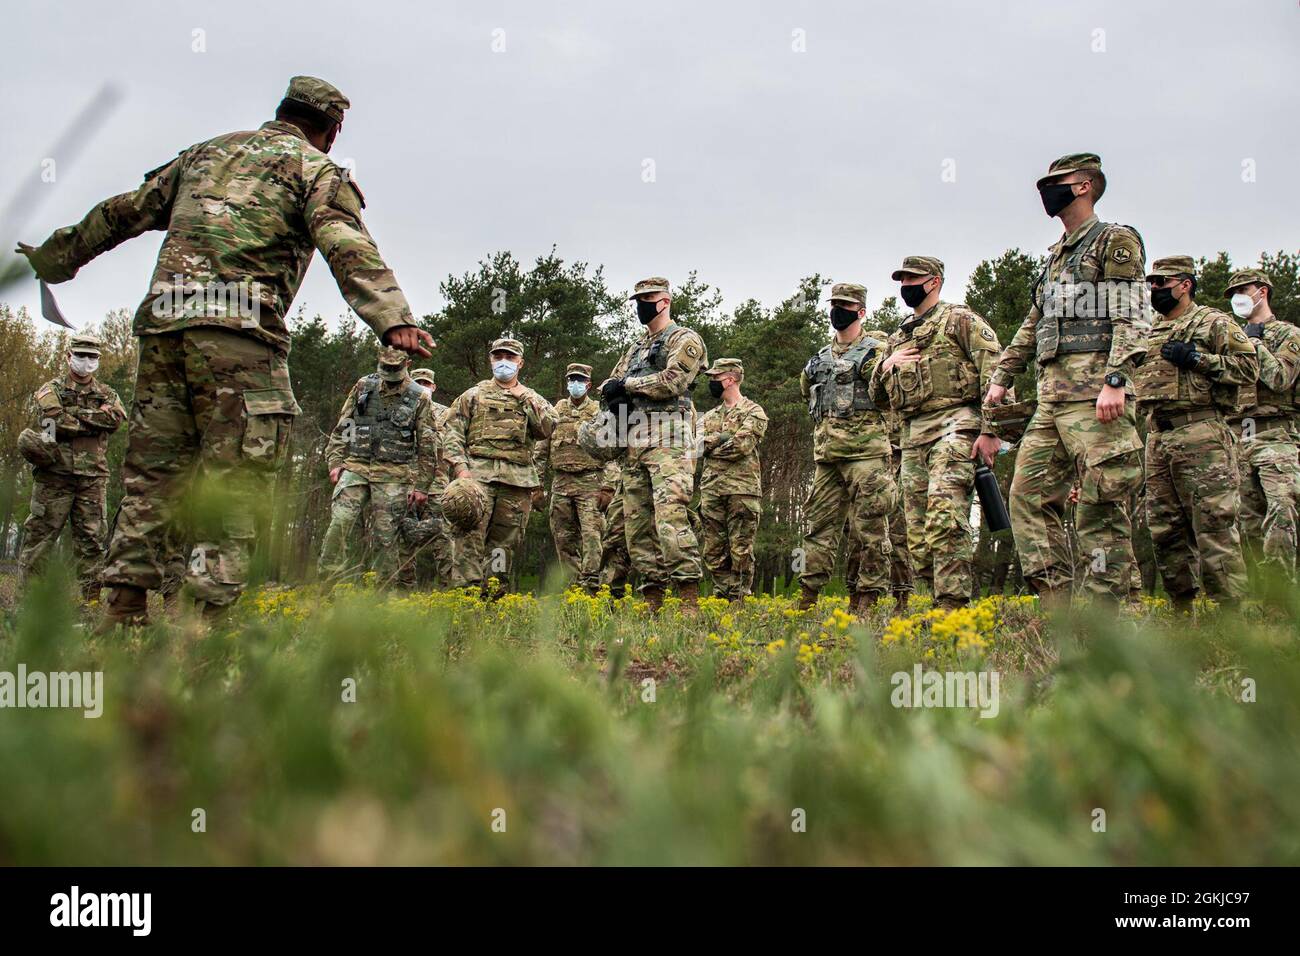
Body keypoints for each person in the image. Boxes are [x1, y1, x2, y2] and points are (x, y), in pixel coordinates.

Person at [16, 76, 431, 627]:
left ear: (282, 111)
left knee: (152, 474)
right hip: (239, 337)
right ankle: (203, 619)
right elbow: (344, 240)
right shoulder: (315, 170)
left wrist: (57, 257)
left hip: (165, 330)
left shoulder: (204, 154)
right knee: (236, 476)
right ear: (332, 130)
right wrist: (392, 319)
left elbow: (123, 211)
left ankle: (123, 606)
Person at [976, 152, 1147, 605]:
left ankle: (1110, 619)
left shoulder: (1114, 240)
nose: (1046, 191)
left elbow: (1131, 316)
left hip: (1095, 398)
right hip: (1051, 403)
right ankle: (1056, 606)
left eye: (1058, 182)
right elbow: (1033, 325)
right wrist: (1001, 376)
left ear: (1085, 185)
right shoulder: (1054, 259)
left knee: (1101, 507)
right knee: (1027, 497)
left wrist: (1116, 380)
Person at [871, 256, 1001, 609]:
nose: (906, 285)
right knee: (916, 531)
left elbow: (996, 373)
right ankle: (933, 601)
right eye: (901, 279)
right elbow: (877, 397)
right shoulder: (898, 337)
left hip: (956, 427)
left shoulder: (960, 319)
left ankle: (953, 607)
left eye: (913, 278)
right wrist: (886, 365)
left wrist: (992, 430)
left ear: (935, 282)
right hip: (912, 438)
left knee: (945, 518)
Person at [1136, 256, 1257, 609]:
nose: (1155, 290)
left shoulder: (1212, 322)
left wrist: (1198, 359)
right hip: (1157, 437)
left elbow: (1249, 368)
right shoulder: (1148, 329)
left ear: (1185, 284)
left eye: (1162, 283)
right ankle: (1181, 610)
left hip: (1201, 431)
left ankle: (1233, 616)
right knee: (1164, 529)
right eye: (1152, 284)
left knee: (1213, 526)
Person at [600, 277, 708, 612]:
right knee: (636, 527)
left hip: (668, 438)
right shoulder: (634, 348)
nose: (641, 305)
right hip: (634, 439)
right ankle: (653, 598)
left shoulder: (685, 339)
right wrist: (612, 393)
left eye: (648, 298)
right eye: (637, 299)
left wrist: (628, 386)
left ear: (665, 301)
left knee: (670, 516)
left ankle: (688, 596)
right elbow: (610, 384)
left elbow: (673, 380)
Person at [798, 282, 897, 616]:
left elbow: (884, 383)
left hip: (866, 456)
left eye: (846, 305)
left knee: (868, 529)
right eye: (835, 304)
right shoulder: (819, 358)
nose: (837, 310)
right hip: (827, 457)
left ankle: (866, 599)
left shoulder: (876, 350)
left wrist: (886, 365)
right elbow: (806, 392)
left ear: (861, 312)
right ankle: (808, 598)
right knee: (818, 529)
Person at [440, 338, 557, 594]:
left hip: (515, 483)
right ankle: (465, 600)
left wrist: (524, 396)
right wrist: (462, 471)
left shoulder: (531, 398)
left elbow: (547, 427)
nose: (504, 361)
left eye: (510, 357)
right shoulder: (472, 395)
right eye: (498, 356)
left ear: (520, 363)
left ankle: (493, 599)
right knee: (468, 539)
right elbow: (452, 434)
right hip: (477, 479)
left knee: (503, 547)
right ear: (491, 360)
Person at [17, 331, 126, 600]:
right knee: (39, 540)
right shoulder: (50, 388)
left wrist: (74, 416)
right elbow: (53, 418)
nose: (86, 361)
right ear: (68, 357)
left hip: (92, 479)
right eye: (80, 355)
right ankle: (29, 604)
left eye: (92, 357)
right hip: (54, 476)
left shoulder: (107, 392)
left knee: (91, 543)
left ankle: (89, 605)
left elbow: (114, 421)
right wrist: (92, 420)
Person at [319, 347, 438, 585]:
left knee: (386, 538)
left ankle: (381, 600)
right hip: (356, 467)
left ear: (407, 364)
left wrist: (422, 487)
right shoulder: (363, 386)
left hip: (394, 474)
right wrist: (334, 461)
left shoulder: (419, 397)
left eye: (395, 369)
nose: (390, 373)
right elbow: (344, 425)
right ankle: (328, 590)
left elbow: (427, 445)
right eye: (386, 368)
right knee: (339, 524)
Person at [1224, 268, 1300, 579]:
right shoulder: (1229, 337)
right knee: (1244, 523)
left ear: (1262, 291)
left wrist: (1256, 345)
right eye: (1233, 294)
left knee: (1282, 511)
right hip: (1237, 438)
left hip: (1276, 437)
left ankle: (1280, 591)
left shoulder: (1288, 335)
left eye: (1244, 289)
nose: (1238, 298)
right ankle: (1257, 604)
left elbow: (1280, 379)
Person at [535, 363, 612, 593]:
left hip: (591, 483)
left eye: (580, 380)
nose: (575, 384)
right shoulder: (555, 411)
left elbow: (612, 451)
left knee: (592, 537)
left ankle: (592, 587)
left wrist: (609, 487)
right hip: (560, 483)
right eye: (571, 379)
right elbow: (540, 450)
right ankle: (572, 588)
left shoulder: (600, 412)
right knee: (563, 538)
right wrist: (537, 486)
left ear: (588, 384)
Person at [696, 358, 768, 602]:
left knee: (741, 549)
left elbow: (741, 446)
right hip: (712, 490)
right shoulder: (709, 416)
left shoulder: (754, 411)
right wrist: (723, 437)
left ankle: (738, 600)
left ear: (730, 379)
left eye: (716, 378)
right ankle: (720, 597)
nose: (712, 383)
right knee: (714, 550)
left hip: (742, 491)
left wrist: (713, 443)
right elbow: (694, 445)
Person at [396, 366, 453, 587]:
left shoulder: (447, 414)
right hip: (404, 484)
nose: (422, 387)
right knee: (403, 541)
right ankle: (403, 594)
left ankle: (450, 592)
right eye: (417, 383)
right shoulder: (400, 411)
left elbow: (454, 446)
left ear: (433, 387)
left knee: (444, 538)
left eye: (426, 384)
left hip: (437, 485)